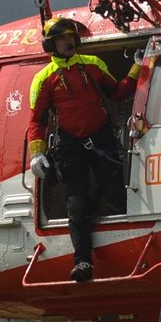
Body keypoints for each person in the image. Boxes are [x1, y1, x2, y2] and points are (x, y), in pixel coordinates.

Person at [26, 15, 133, 282]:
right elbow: (36, 120)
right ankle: (83, 261)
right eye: (62, 38)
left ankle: (131, 248)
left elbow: (118, 93)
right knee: (76, 204)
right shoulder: (43, 79)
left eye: (71, 37)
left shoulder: (93, 65)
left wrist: (137, 70)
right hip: (69, 147)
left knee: (116, 194)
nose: (68, 41)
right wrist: (36, 153)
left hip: (102, 140)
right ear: (51, 44)